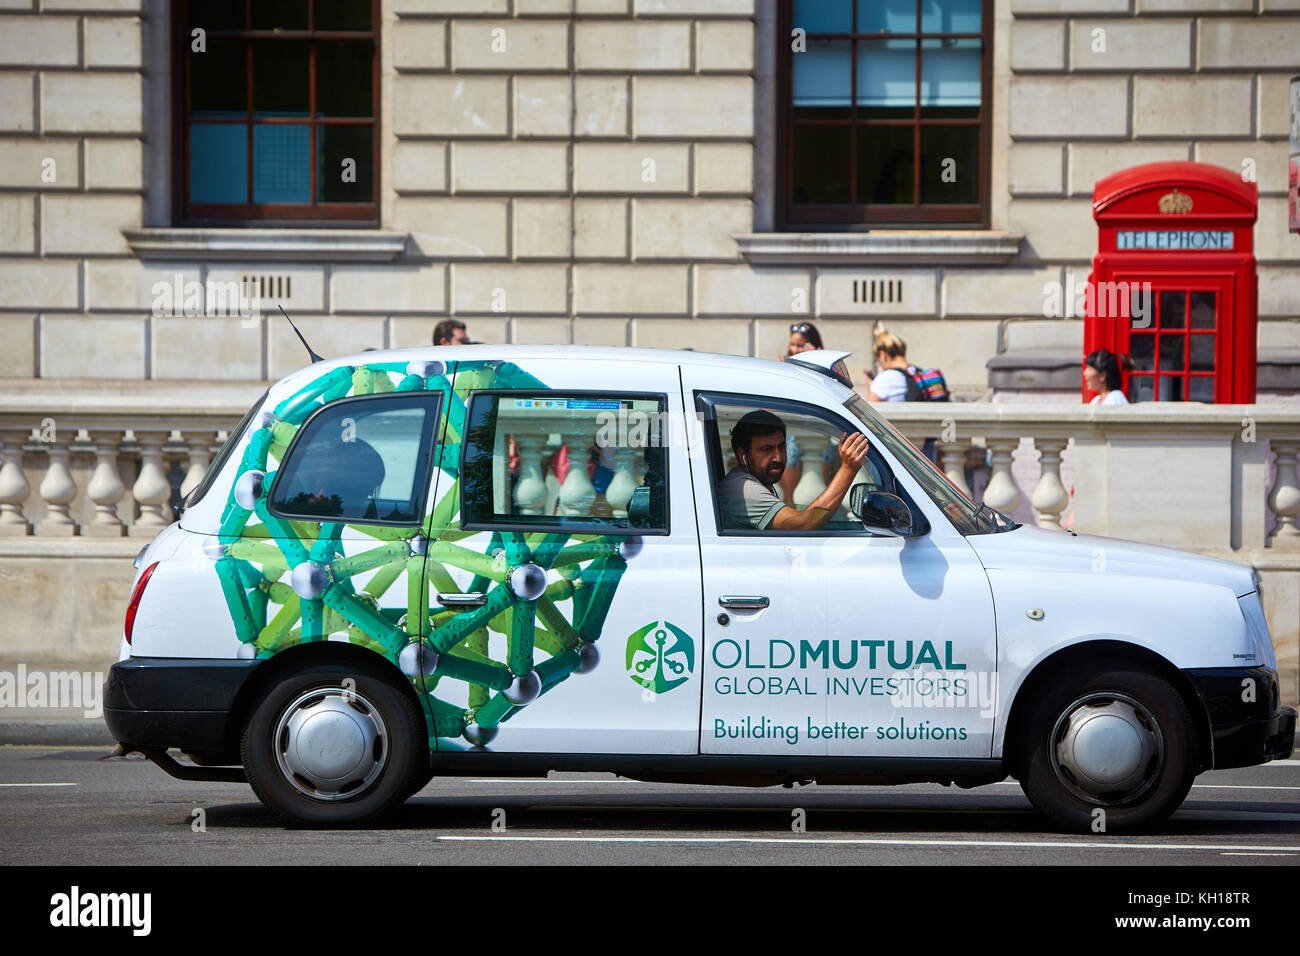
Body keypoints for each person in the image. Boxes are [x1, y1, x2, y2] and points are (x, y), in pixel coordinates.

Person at [718, 410, 869, 531]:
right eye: (766, 449)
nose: (777, 457)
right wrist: (848, 469)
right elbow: (804, 524)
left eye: (781, 446)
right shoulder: (743, 488)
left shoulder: (754, 481)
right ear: (742, 455)